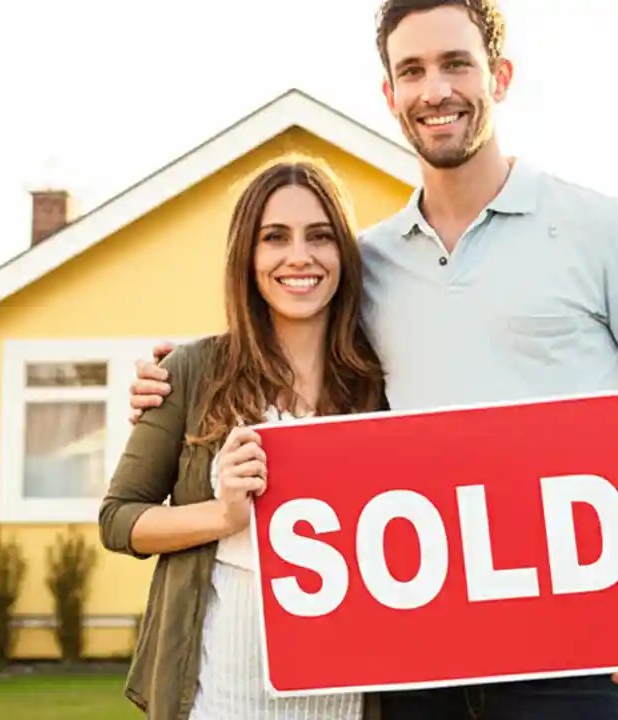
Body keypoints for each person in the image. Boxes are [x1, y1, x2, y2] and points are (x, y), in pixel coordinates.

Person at [126, 1, 618, 718]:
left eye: (456, 64)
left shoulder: (601, 229)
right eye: (411, 70)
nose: (434, 89)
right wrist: (177, 373)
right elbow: (282, 330)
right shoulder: (369, 263)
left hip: (574, 642)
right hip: (419, 655)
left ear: (500, 77)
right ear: (390, 96)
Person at [99, 157, 388, 720]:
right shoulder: (190, 371)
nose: (298, 256)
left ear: (343, 257)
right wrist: (223, 515)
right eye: (274, 237)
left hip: (347, 695)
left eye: (320, 236)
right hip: (221, 690)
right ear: (248, 258)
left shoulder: (381, 383)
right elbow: (118, 519)